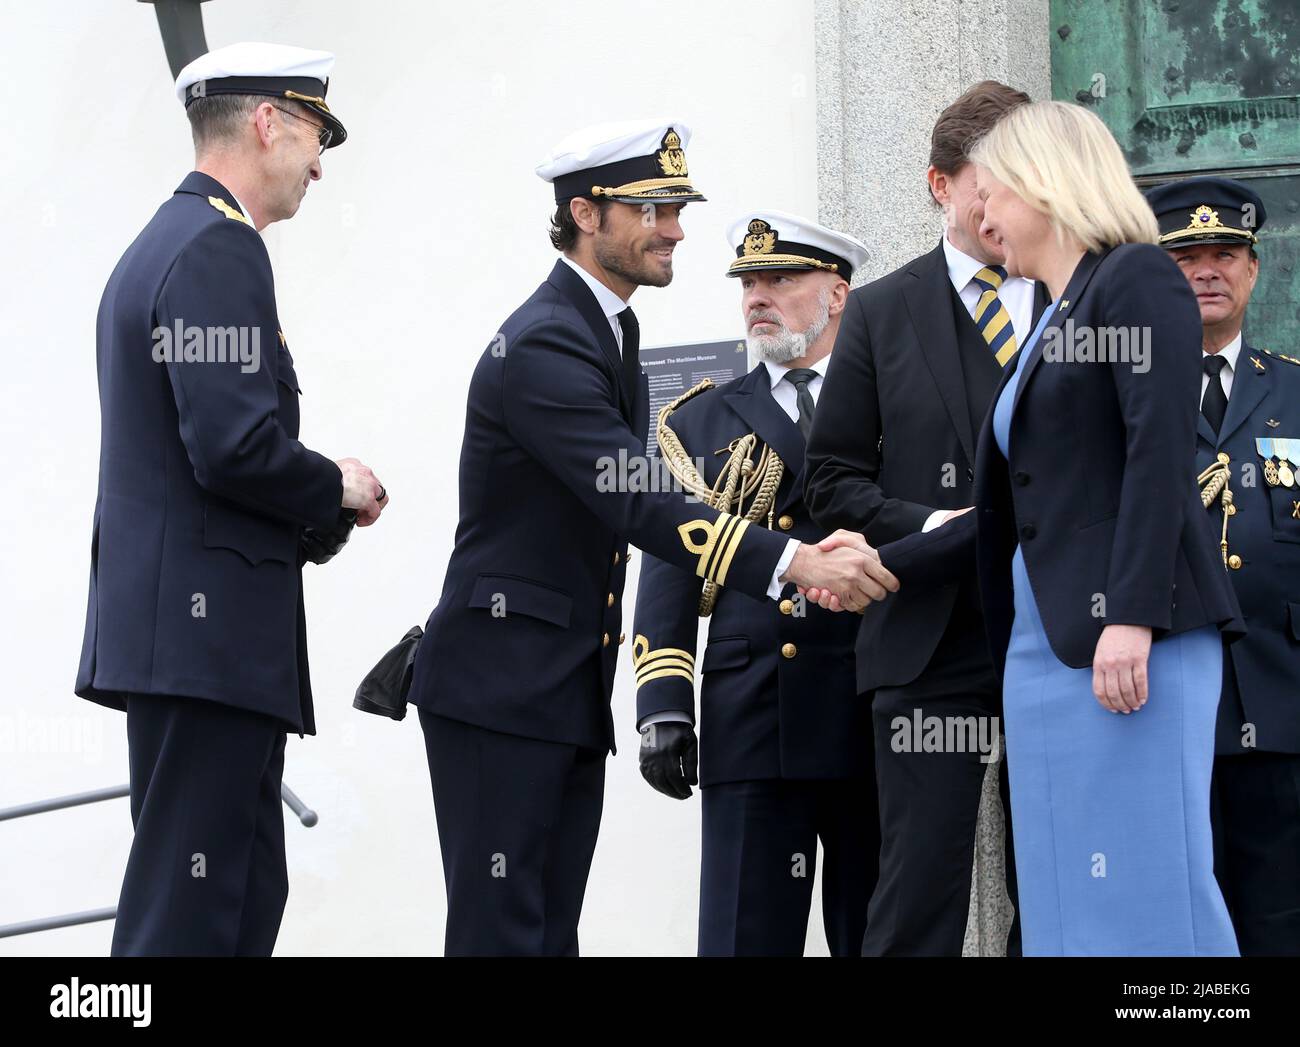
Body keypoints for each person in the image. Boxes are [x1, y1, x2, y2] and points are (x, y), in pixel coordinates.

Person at [406, 121, 896, 956]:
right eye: (656, 208)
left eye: (676, 209)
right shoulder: (550, 340)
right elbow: (640, 502)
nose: (675, 229)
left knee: (542, 930)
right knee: (507, 932)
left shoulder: (607, 333)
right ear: (586, 214)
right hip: (505, 685)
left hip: (552, 687)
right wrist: (792, 559)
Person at [812, 100, 1244, 955]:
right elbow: (1011, 515)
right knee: (1063, 904)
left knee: (1150, 890)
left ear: (1044, 187)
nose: (985, 214)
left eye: (996, 192)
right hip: (1047, 656)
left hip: (1127, 643)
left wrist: (1132, 614)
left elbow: (1161, 454)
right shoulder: (1057, 312)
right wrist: (866, 565)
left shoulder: (1136, 278)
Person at [76, 42, 388, 955]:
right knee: (189, 913)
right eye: (316, 134)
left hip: (193, 644)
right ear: (268, 123)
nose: (321, 162)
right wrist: (338, 483)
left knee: (237, 896)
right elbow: (233, 445)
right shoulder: (218, 247)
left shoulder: (167, 243)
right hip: (205, 646)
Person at [804, 80, 1039, 956]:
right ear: (940, 183)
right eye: (992, 176)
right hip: (927, 644)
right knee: (920, 890)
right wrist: (947, 522)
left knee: (1051, 878)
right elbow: (830, 479)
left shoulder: (1075, 300)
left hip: (1060, 634)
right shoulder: (877, 310)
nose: (1009, 198)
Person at [633, 211, 878, 955]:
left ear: (837, 294)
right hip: (753, 709)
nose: (757, 297)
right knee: (745, 934)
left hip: (873, 702)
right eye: (749, 282)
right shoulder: (703, 419)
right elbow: (670, 561)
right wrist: (662, 701)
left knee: (877, 934)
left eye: (781, 279)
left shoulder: (889, 404)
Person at [1147, 175, 1300, 956]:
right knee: (1178, 928)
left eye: (1226, 255)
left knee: (1280, 919)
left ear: (1254, 269)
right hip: (1166, 706)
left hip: (1282, 704)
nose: (1208, 270)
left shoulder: (1298, 392)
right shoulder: (1126, 394)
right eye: (1187, 258)